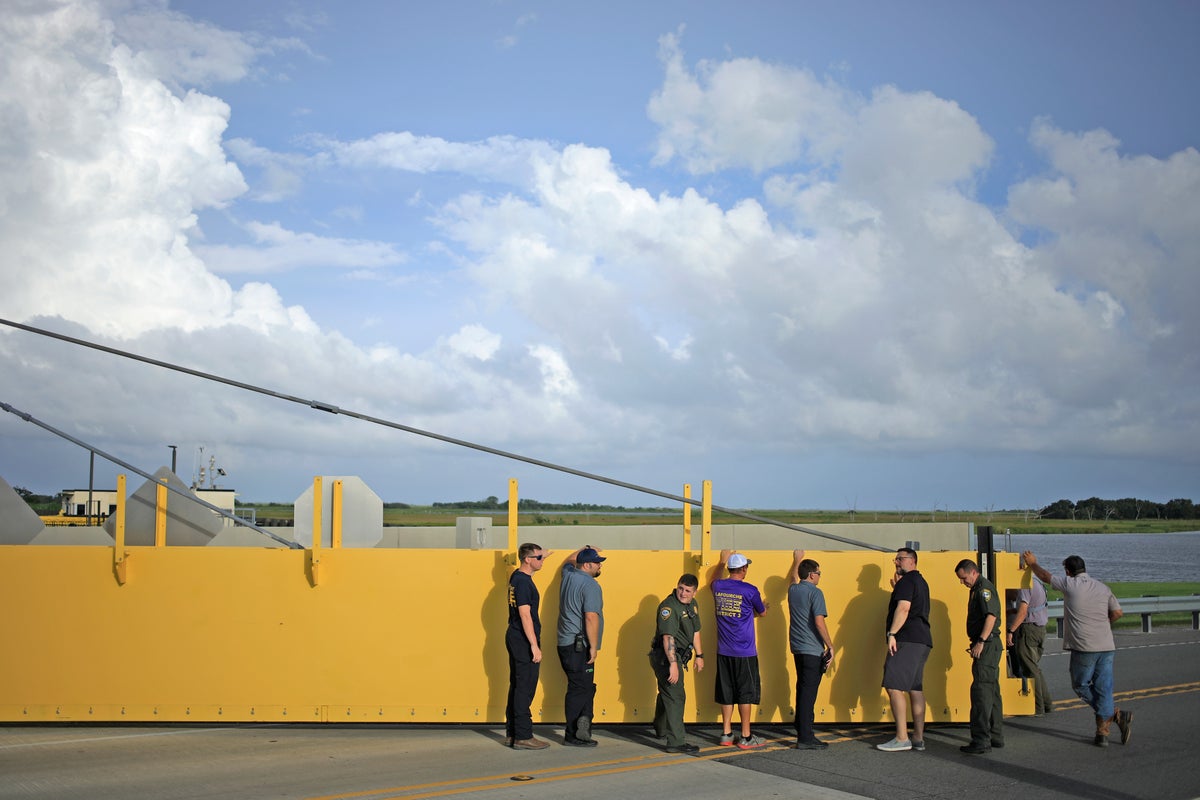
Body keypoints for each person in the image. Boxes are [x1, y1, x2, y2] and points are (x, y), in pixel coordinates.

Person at [1023, 551, 1133, 747]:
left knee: (1080, 685)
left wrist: (1032, 563)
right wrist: (1103, 623)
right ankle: (1102, 734)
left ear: (1068, 571)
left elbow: (1045, 576)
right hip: (1106, 645)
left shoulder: (1069, 584)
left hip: (1084, 647)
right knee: (1103, 688)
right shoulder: (1102, 587)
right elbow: (1117, 612)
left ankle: (1114, 714)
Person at [711, 549, 768, 749]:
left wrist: (721, 561)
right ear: (743, 569)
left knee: (726, 692)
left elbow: (713, 579)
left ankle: (726, 734)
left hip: (723, 650)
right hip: (745, 651)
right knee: (745, 693)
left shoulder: (718, 586)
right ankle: (745, 736)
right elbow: (762, 612)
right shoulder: (750, 590)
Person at [877, 547, 932, 753]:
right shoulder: (920, 582)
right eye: (896, 559)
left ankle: (902, 737)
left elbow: (904, 608)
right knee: (915, 688)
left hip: (907, 639)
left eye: (900, 559)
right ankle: (918, 737)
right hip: (922, 640)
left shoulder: (907, 581)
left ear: (912, 560)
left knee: (893, 686)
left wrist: (892, 634)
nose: (896, 562)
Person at [649, 574, 705, 754]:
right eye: (680, 588)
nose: (683, 593)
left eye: (688, 590)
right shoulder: (669, 607)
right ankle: (676, 742)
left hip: (677, 656)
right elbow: (667, 637)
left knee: (668, 692)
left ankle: (661, 727)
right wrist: (673, 664)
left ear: (694, 592)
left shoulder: (692, 604)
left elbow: (695, 631)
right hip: (666, 656)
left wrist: (699, 655)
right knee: (676, 696)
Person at [557, 545, 605, 747]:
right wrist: (593, 647)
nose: (599, 566)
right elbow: (591, 617)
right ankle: (572, 735)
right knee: (579, 689)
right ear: (586, 565)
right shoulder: (590, 585)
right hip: (579, 646)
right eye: (596, 563)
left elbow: (568, 561)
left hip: (565, 644)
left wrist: (586, 548)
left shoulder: (568, 575)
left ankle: (583, 726)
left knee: (584, 687)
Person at [954, 559, 1003, 755]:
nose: (962, 582)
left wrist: (981, 641)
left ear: (973, 572)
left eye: (964, 578)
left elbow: (991, 616)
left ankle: (981, 739)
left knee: (981, 692)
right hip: (989, 644)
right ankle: (995, 735)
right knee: (992, 690)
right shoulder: (977, 588)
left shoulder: (984, 589)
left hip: (987, 645)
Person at [787, 549, 834, 750]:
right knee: (809, 693)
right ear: (812, 575)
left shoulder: (793, 590)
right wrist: (830, 645)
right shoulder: (815, 593)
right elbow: (819, 622)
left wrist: (796, 560)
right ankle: (806, 737)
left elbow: (792, 578)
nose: (819, 576)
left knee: (802, 689)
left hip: (797, 648)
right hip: (812, 649)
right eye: (819, 573)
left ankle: (802, 727)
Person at [505, 542, 550, 750]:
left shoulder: (516, 576)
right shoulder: (523, 583)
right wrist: (534, 645)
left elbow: (536, 556)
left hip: (515, 636)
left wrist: (544, 554)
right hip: (523, 639)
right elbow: (525, 615)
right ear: (527, 560)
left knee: (516, 685)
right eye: (539, 558)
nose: (543, 560)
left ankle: (512, 733)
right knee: (525, 687)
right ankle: (523, 736)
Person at [1007, 567, 1053, 715]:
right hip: (1040, 629)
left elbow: (1023, 612)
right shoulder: (1037, 582)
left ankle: (1037, 707)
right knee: (1034, 668)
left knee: (1030, 669)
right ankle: (1047, 703)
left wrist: (1011, 631)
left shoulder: (1026, 586)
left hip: (1028, 630)